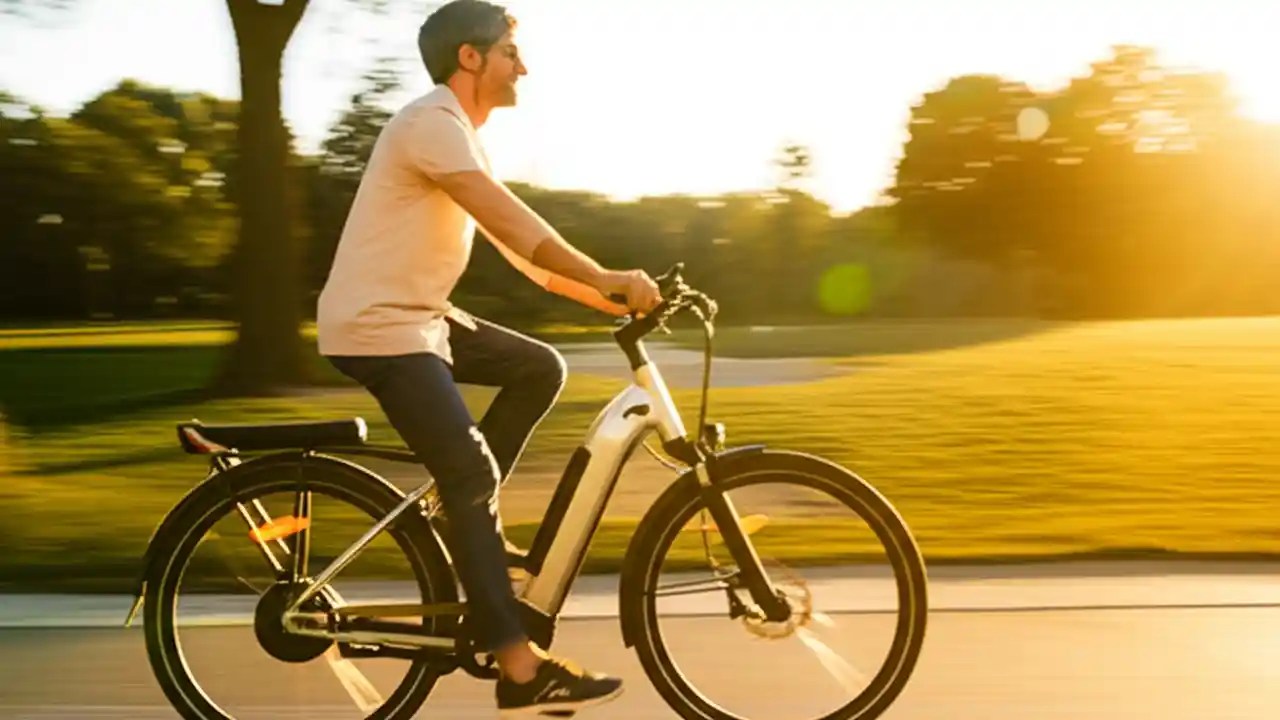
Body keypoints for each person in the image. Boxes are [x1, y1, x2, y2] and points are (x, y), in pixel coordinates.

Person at [315, 0, 660, 715]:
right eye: (510, 52)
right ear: (468, 58)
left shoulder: (455, 135)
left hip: (421, 322)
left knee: (540, 368)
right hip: (379, 330)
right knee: (470, 468)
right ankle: (519, 668)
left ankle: (461, 521)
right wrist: (605, 277)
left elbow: (523, 257)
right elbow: (512, 220)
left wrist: (610, 298)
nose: (523, 66)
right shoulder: (429, 125)